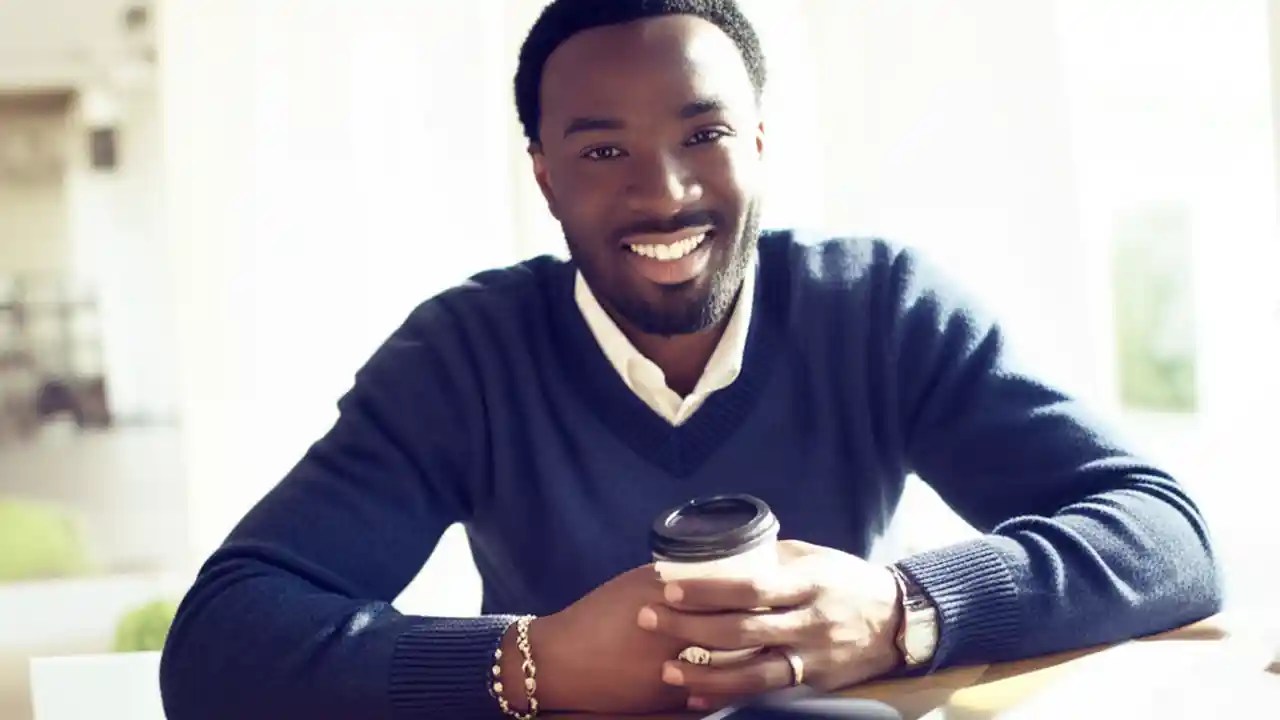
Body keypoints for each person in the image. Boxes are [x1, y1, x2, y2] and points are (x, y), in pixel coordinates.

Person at [159, 1, 1223, 718]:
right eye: (603, 150)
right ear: (542, 175)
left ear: (759, 143)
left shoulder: (877, 309)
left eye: (703, 136)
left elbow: (1164, 540)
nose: (663, 193)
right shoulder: (463, 356)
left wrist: (898, 611)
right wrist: (532, 662)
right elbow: (220, 644)